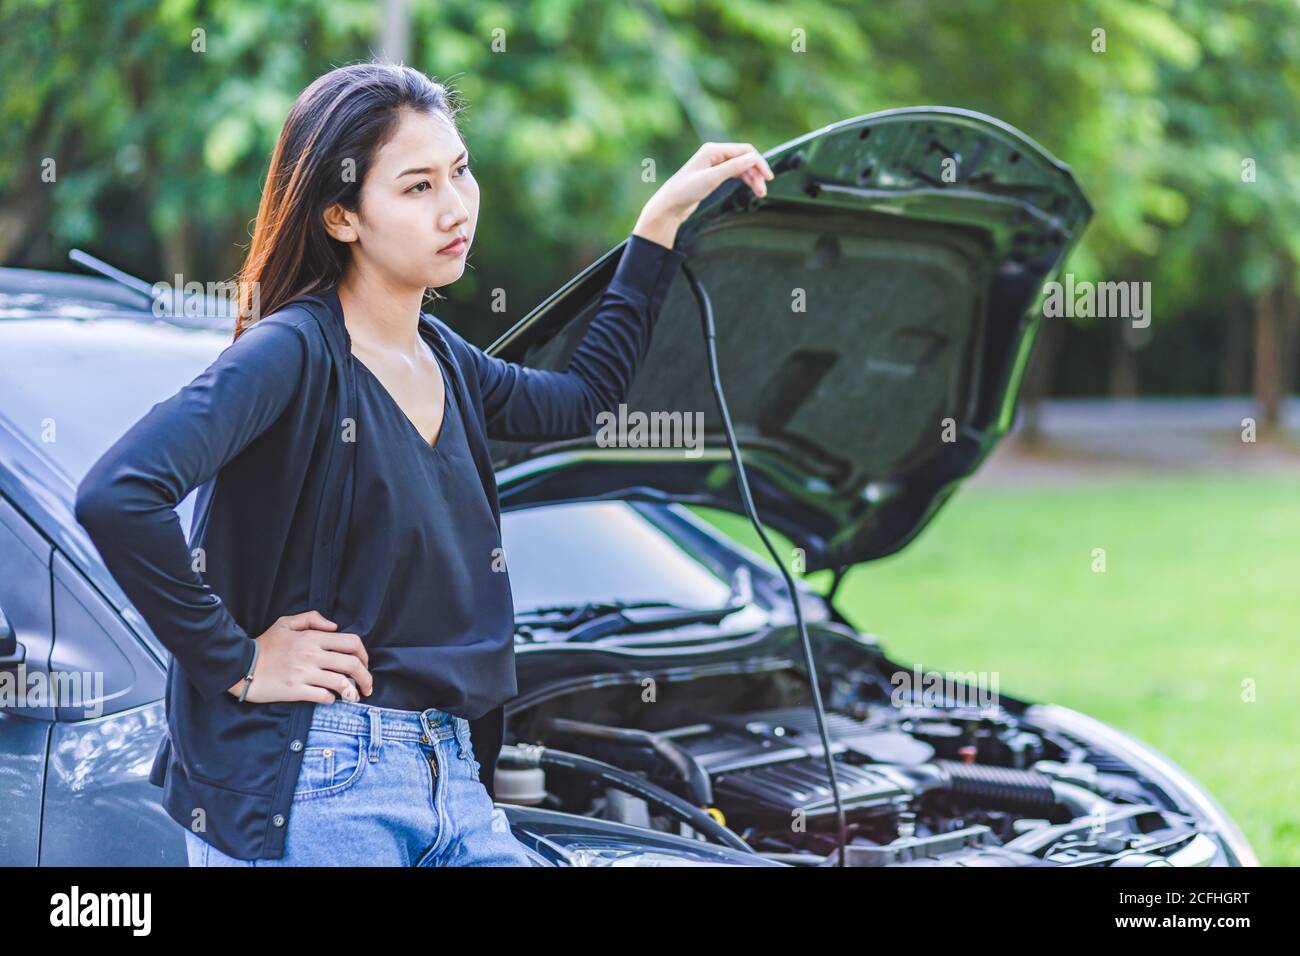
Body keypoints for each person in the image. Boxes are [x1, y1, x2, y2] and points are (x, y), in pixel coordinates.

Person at [74, 61, 773, 866]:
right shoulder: (291, 352)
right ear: (341, 216)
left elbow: (583, 397)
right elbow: (118, 495)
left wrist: (656, 228)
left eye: (460, 171)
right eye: (416, 187)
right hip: (319, 782)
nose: (456, 207)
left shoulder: (444, 357)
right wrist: (237, 661)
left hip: (453, 777)